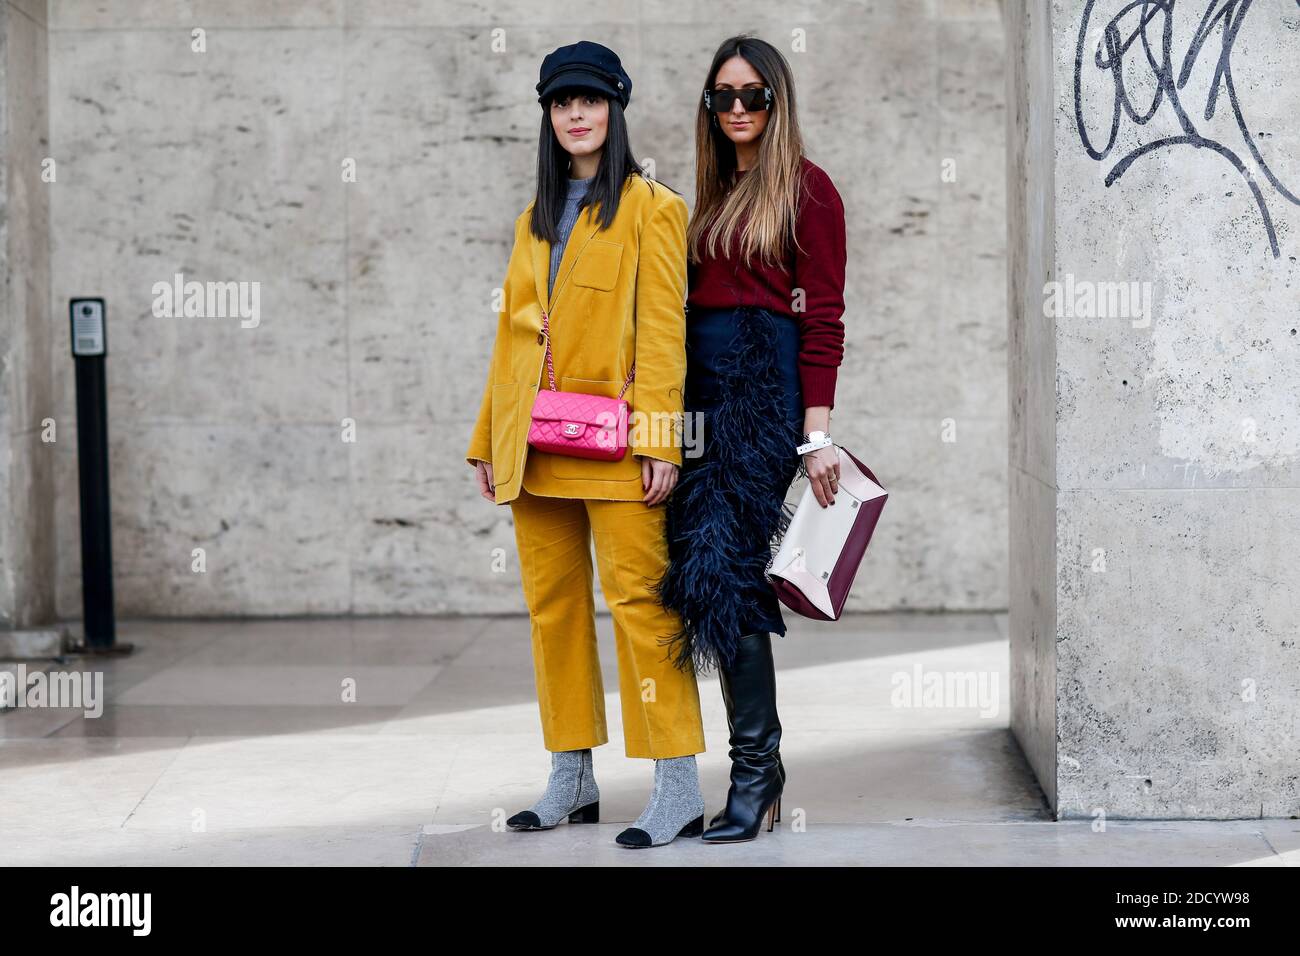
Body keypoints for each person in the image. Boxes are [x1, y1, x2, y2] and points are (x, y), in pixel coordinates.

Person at [464, 40, 707, 848]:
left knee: (641, 607)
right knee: (552, 611)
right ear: (548, 115)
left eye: (591, 101)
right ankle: (571, 777)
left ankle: (676, 784)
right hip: (531, 450)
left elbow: (665, 334)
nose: (576, 114)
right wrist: (484, 439)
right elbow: (511, 340)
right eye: (562, 103)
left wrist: (662, 440)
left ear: (616, 109)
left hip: (618, 450)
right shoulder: (529, 220)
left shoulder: (654, 208)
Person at [651, 34, 848, 843]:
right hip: (700, 400)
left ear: (778, 101)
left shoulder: (810, 190)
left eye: (753, 96)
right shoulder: (712, 193)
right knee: (709, 573)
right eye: (723, 96)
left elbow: (825, 320)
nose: (738, 109)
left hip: (762, 399)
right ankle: (756, 770)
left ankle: (756, 771)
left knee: (728, 565)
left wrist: (817, 437)